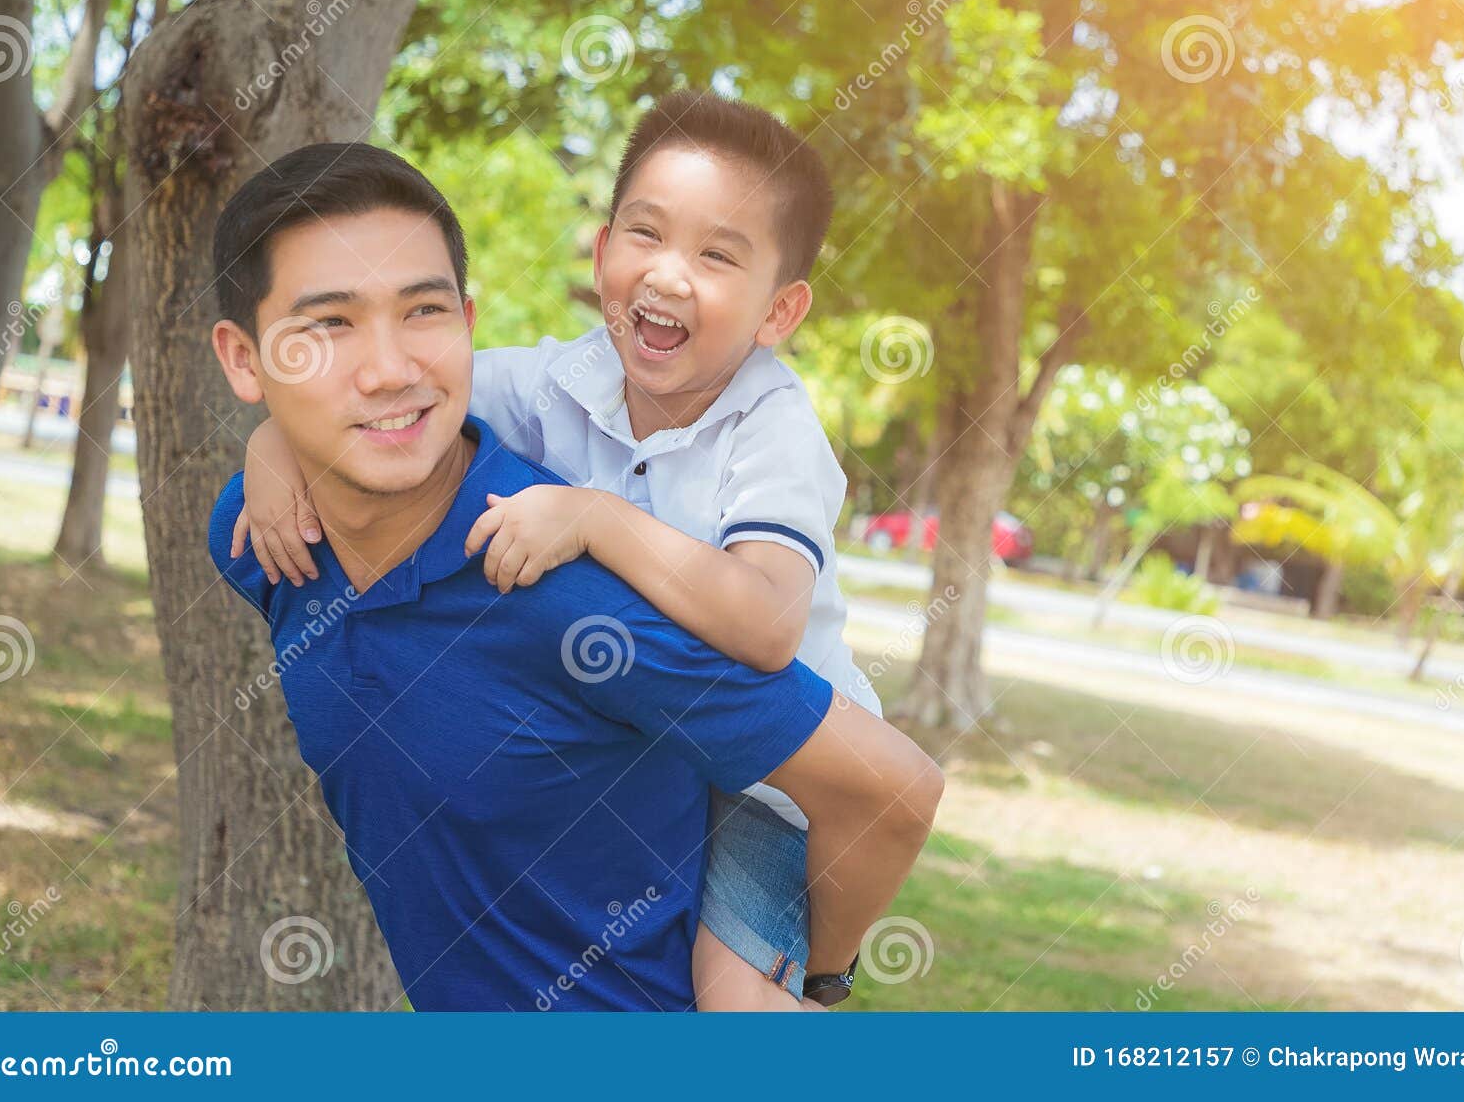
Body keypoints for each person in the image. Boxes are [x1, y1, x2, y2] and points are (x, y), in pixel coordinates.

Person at [204, 140, 943, 1011]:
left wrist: (823, 971)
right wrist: (271, 441)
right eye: (328, 323)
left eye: (717, 254)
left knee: (745, 1005)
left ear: (779, 309)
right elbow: (404, 395)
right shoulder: (265, 533)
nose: (391, 365)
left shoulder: (751, 452)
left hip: (778, 780)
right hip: (689, 763)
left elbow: (808, 676)